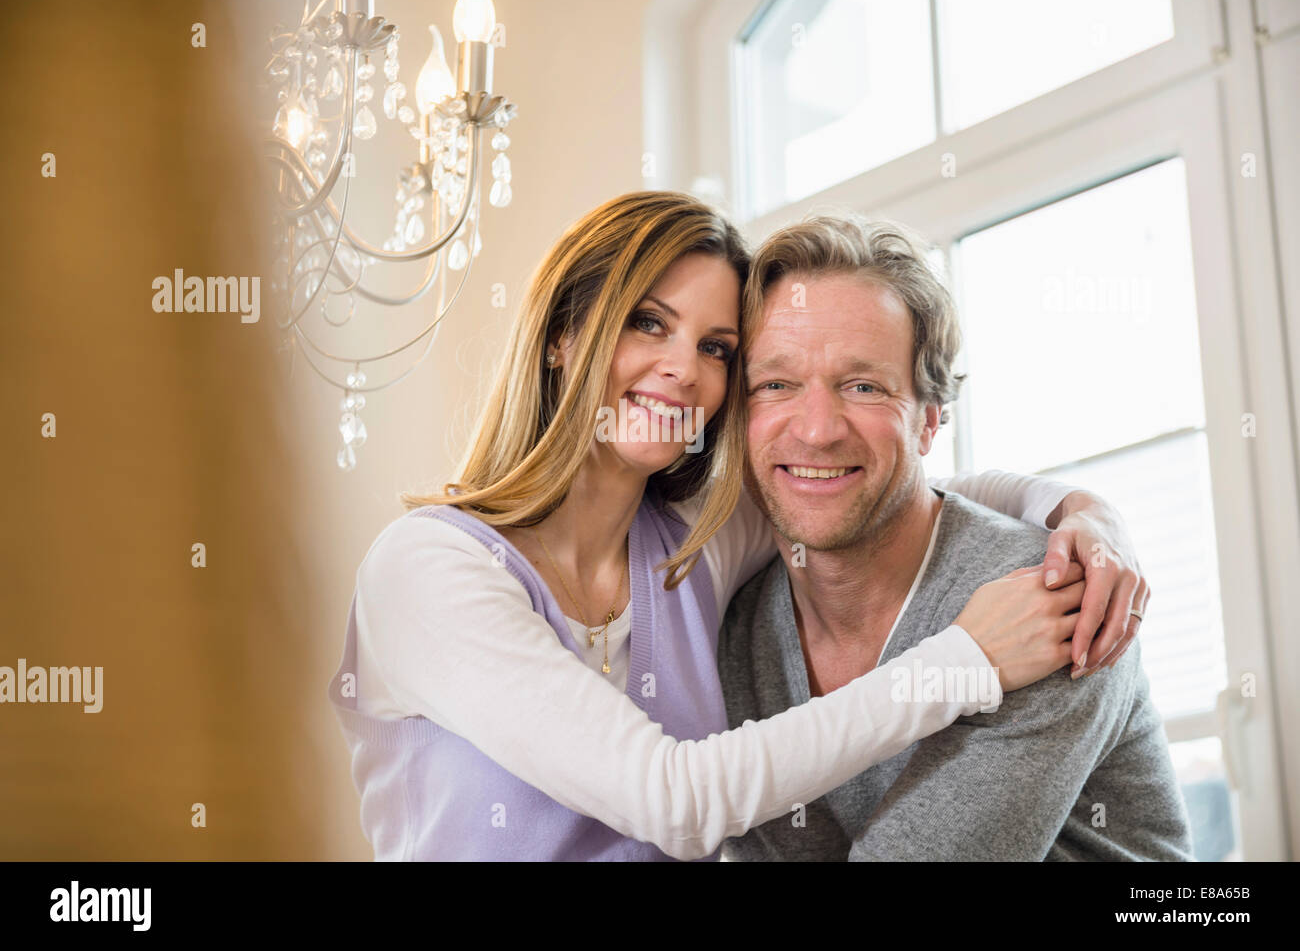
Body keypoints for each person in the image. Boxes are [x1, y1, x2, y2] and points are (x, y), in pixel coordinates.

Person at [327, 191, 1148, 861]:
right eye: (648, 321)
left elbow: (872, 483)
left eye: (717, 347)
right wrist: (963, 661)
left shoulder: (699, 543)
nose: (684, 367)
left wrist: (1083, 514)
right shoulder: (427, 569)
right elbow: (675, 801)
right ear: (562, 337)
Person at [717, 215, 1192, 860]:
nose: (818, 429)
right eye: (776, 385)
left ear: (928, 422)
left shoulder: (1048, 599)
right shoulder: (736, 633)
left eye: (863, 387)